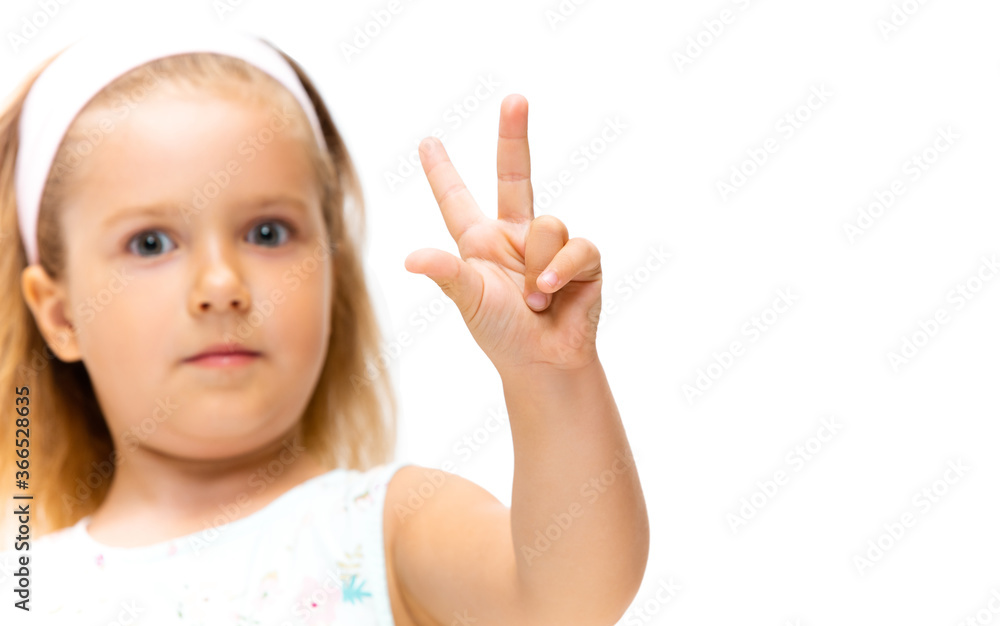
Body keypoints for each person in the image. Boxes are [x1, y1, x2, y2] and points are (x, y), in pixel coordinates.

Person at [0, 23, 648, 626]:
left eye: (267, 232)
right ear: (59, 316)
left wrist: (551, 375)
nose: (221, 285)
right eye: (150, 244)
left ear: (331, 273)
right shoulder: (25, 592)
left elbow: (568, 600)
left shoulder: (385, 528)